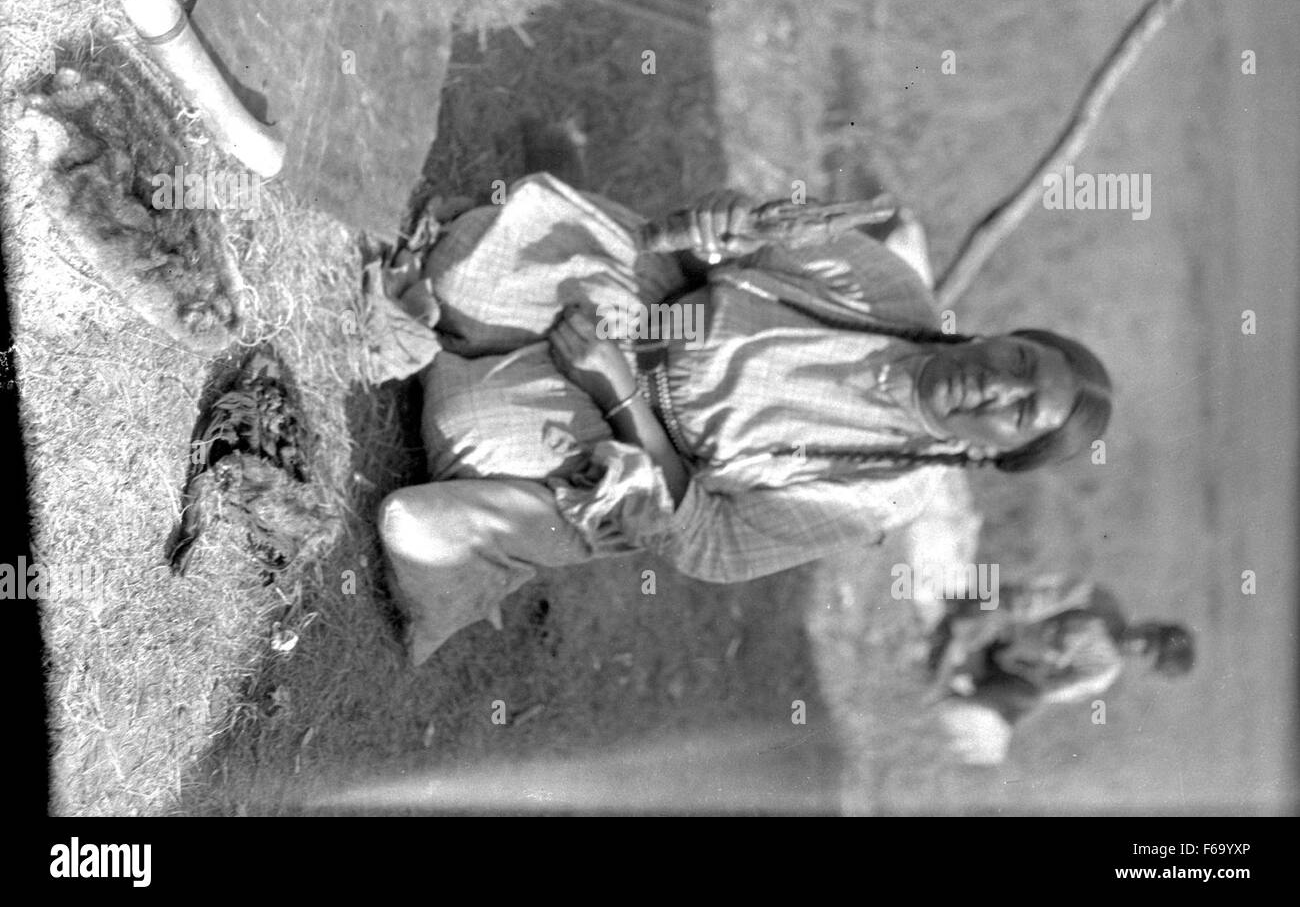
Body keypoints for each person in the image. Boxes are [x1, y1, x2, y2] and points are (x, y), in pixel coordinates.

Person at [377, 173, 1114, 664]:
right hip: (632, 307)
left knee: (459, 431)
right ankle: (483, 368)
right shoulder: (893, 292)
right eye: (1018, 361)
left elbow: (714, 546)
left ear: (994, 455)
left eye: (1018, 413)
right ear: (1001, 337)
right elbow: (738, 236)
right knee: (457, 262)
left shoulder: (887, 493)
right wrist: (723, 221)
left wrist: (618, 393)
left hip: (616, 436)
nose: (994, 386)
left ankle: (485, 538)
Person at [929, 576, 1195, 763]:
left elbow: (1047, 691)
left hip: (1006, 666)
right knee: (980, 612)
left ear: (1144, 662)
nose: (1138, 642)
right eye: (1148, 635)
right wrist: (1001, 616)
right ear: (1150, 623)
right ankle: (950, 633)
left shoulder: (1102, 673)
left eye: (1145, 650)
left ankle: (946, 696)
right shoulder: (1101, 602)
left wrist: (1030, 665)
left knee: (1025, 699)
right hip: (1005, 626)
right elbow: (1038, 597)